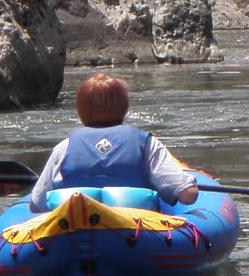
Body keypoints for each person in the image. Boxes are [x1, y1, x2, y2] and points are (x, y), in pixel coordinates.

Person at [28, 72, 198, 213]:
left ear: (81, 110)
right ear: (124, 106)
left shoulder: (65, 147)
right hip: (136, 234)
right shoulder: (146, 143)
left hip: (74, 232)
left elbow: (37, 203)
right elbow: (188, 195)